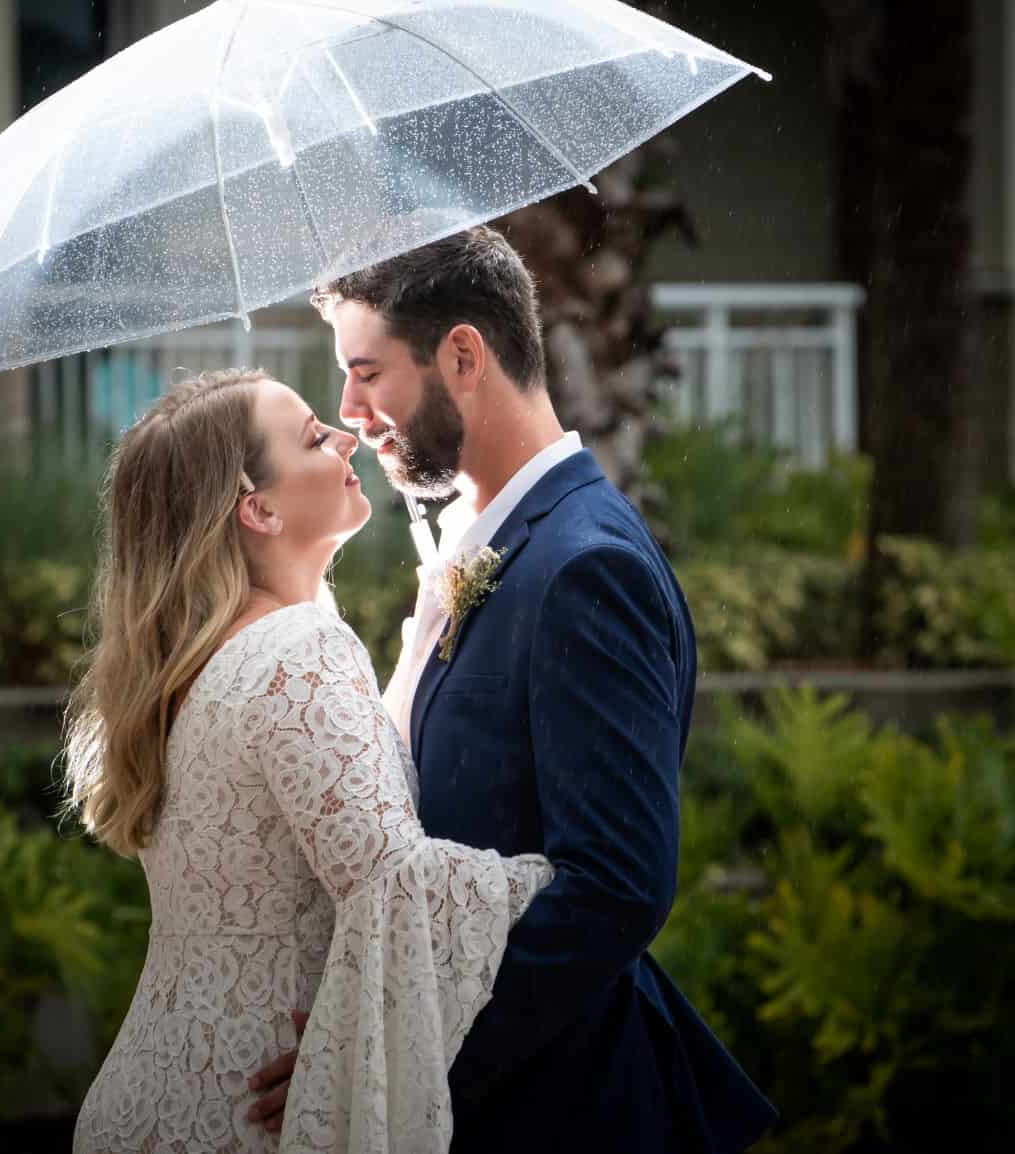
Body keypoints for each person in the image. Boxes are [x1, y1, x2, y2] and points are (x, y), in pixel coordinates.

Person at [249, 227, 777, 1152]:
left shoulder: (585, 566)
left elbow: (615, 888)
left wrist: (394, 1056)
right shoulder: (491, 540)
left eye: (368, 373)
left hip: (566, 1107)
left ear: (461, 355)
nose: (350, 407)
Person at [64, 367, 555, 1153]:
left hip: (156, 1093)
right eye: (313, 437)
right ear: (257, 507)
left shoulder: (189, 668)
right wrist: (561, 878)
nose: (348, 435)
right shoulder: (302, 649)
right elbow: (398, 884)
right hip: (258, 1114)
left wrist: (413, 661)